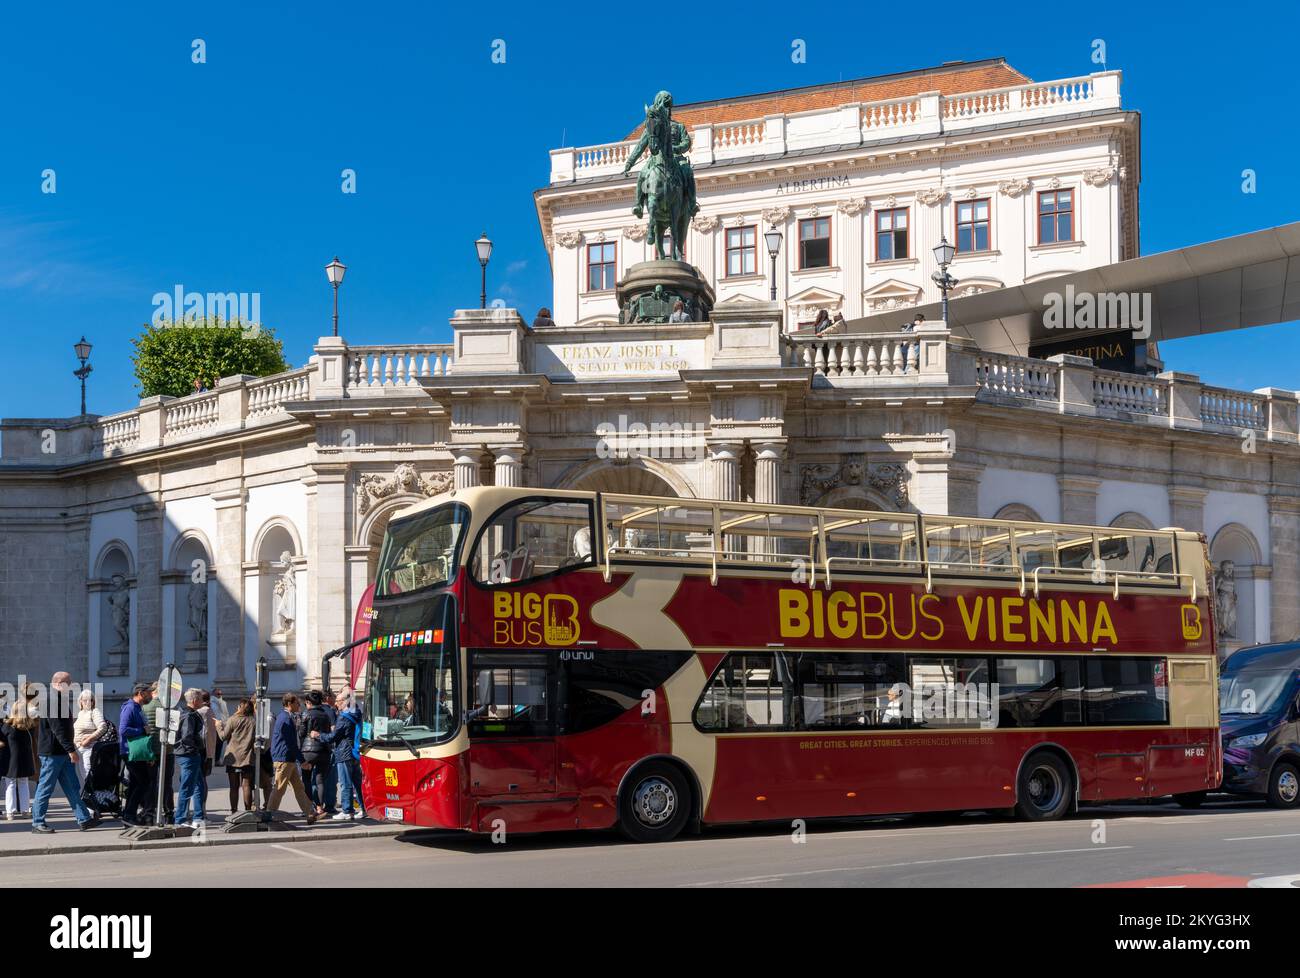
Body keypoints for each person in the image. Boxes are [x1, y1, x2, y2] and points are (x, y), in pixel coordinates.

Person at [31, 672, 98, 833]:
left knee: (72, 787)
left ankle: (84, 819)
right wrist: (71, 750)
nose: (71, 685)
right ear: (59, 683)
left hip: (61, 752)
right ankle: (37, 823)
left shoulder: (59, 700)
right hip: (52, 753)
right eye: (69, 682)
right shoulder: (52, 701)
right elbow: (58, 729)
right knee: (45, 787)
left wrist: (69, 749)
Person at [267, 694, 322, 823]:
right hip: (284, 758)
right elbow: (290, 743)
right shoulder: (285, 719)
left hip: (288, 758)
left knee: (299, 788)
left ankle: (310, 813)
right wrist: (302, 761)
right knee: (279, 788)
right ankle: (269, 815)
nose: (299, 705)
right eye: (297, 703)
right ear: (289, 704)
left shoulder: (286, 717)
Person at [310, 691, 364, 820]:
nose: (336, 704)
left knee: (345, 783)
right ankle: (364, 808)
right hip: (354, 752)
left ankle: (347, 811)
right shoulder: (356, 713)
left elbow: (334, 736)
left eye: (338, 701)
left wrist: (318, 736)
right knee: (357, 783)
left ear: (345, 701)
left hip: (344, 752)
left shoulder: (344, 716)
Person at [217, 699, 270, 812]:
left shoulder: (232, 720)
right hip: (248, 757)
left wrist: (218, 726)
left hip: (232, 759)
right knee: (247, 786)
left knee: (234, 787)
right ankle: (247, 811)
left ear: (240, 707)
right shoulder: (253, 721)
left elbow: (223, 737)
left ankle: (234, 811)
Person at [118, 683, 153, 825]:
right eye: (148, 692)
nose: (150, 695)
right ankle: (130, 814)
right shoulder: (130, 708)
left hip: (136, 751)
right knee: (143, 782)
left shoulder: (138, 708)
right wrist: (142, 730)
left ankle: (128, 815)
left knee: (135, 783)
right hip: (130, 751)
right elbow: (123, 730)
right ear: (140, 693)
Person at [2, 687, 38, 820]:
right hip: (25, 759)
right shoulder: (30, 727)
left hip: (11, 760)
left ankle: (10, 812)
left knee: (10, 784)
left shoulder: (8, 727)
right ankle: (24, 810)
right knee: (24, 783)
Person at [172, 689, 207, 828]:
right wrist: (194, 749)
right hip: (188, 754)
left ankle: (198, 816)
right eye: (200, 698)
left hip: (189, 753)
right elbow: (187, 737)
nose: (202, 701)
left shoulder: (187, 713)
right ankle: (180, 819)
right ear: (194, 700)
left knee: (198, 785)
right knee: (186, 787)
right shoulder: (189, 715)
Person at [142, 681, 173, 823]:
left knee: (150, 782)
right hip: (167, 749)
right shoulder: (168, 707)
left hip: (150, 750)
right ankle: (169, 812)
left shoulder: (145, 707)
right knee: (167, 783)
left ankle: (149, 811)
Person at [300, 691, 334, 814]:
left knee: (306, 779)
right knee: (320, 780)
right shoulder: (326, 715)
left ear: (309, 702)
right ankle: (320, 808)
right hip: (324, 750)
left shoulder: (306, 714)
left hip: (308, 751)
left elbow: (301, 734)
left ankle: (309, 807)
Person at [73, 689, 107, 779]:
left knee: (89, 775)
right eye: (85, 700)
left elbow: (103, 727)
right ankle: (89, 792)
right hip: (79, 749)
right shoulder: (80, 713)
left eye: (91, 700)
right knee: (84, 776)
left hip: (89, 748)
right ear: (80, 701)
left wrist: (89, 739)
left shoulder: (95, 711)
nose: (88, 702)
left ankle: (94, 793)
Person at [196, 690, 219, 809]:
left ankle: (200, 808)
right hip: (209, 750)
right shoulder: (211, 711)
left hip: (202, 750)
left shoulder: (200, 712)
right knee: (203, 780)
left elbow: (201, 733)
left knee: (199, 781)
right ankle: (202, 807)